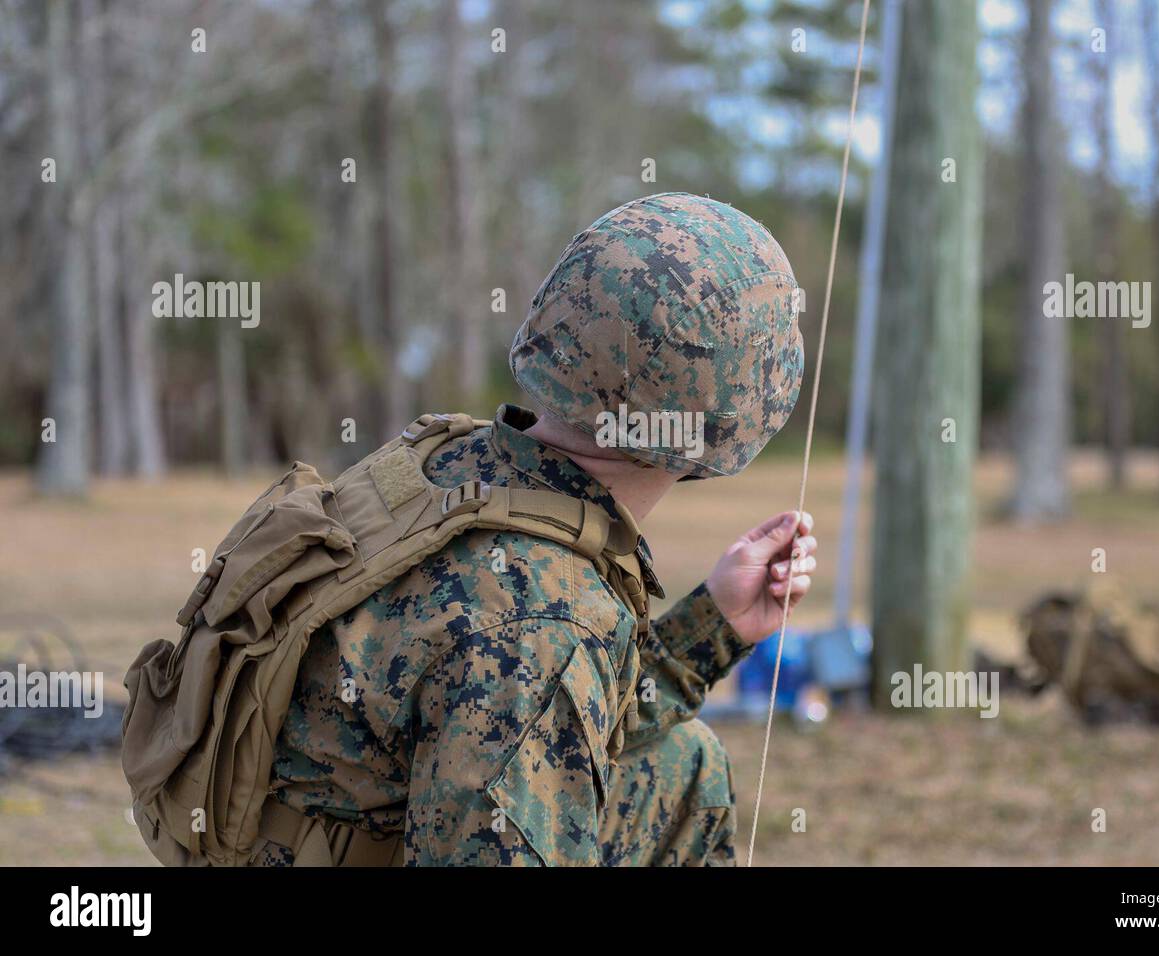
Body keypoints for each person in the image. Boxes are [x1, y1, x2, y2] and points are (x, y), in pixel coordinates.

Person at [255, 192, 817, 866]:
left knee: (682, 768)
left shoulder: (450, 461)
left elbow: (558, 726)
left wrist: (712, 626)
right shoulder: (543, 622)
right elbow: (527, 688)